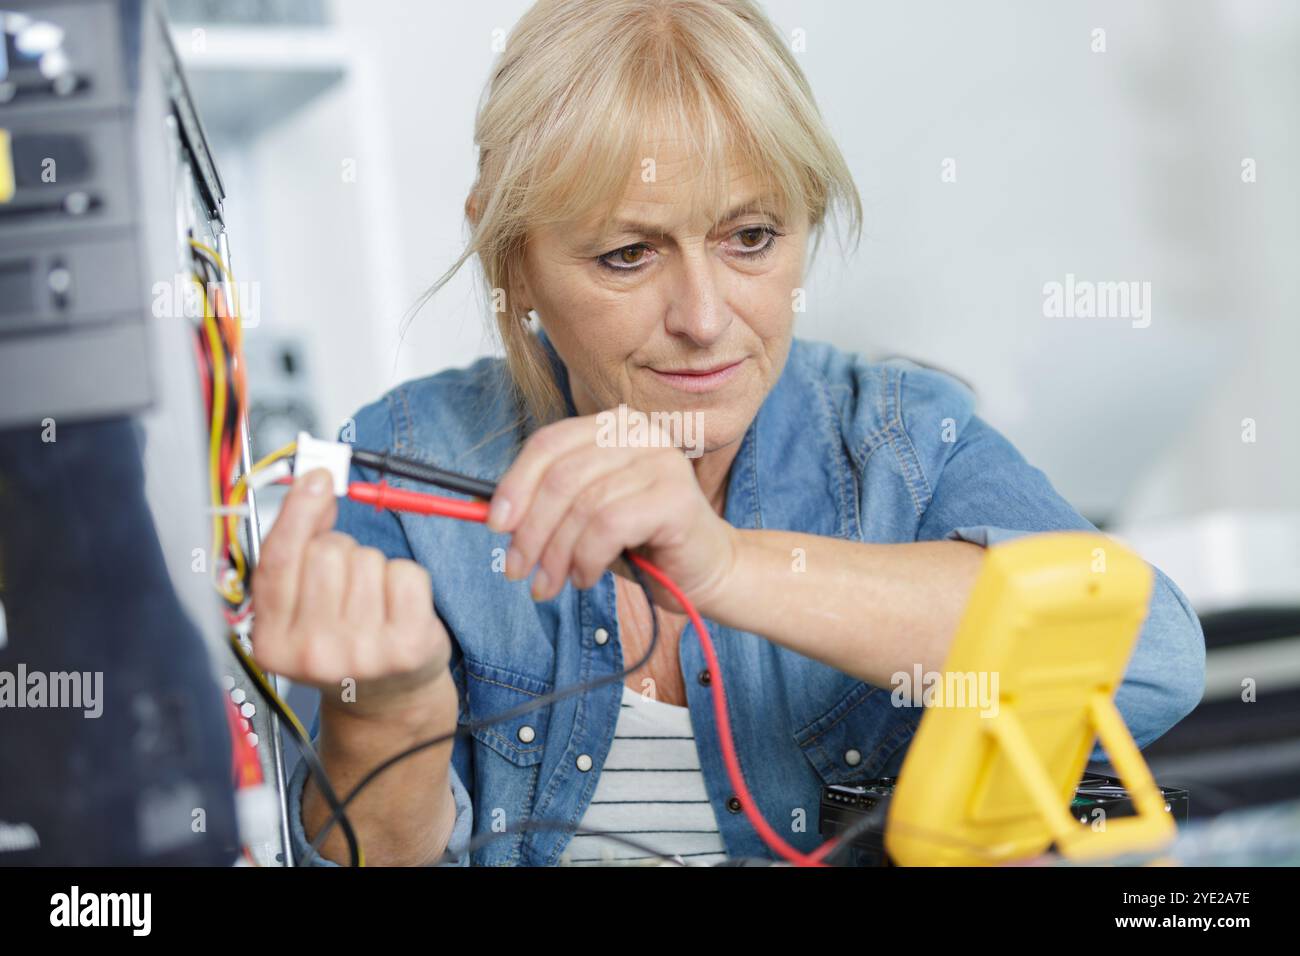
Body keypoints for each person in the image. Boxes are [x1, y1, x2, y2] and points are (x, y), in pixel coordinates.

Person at [250, 0, 1206, 866]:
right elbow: (361, 857)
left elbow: (1152, 654)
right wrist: (392, 716)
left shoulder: (899, 439)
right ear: (516, 261)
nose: (705, 318)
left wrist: (724, 565)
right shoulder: (403, 469)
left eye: (752, 239)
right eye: (628, 254)